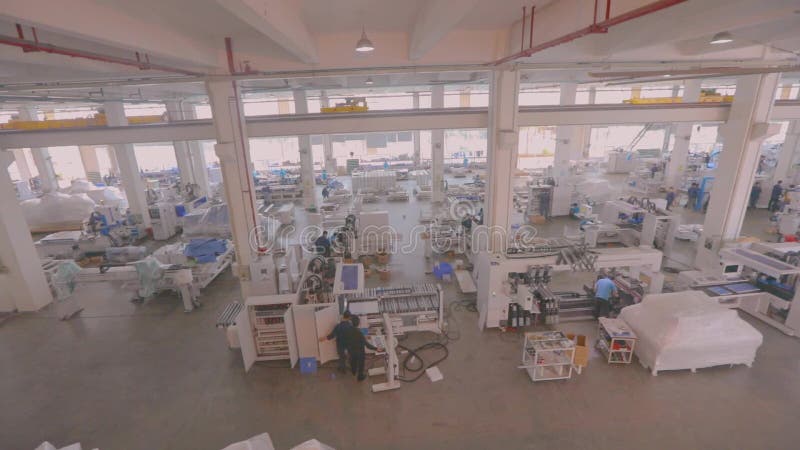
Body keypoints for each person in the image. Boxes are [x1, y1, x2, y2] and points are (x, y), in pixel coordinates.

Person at [342, 316, 380, 381]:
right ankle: (360, 377)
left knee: (353, 361)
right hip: (359, 352)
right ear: (358, 323)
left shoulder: (347, 330)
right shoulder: (359, 333)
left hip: (351, 350)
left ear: (351, 323)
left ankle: (353, 372)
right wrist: (376, 349)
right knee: (361, 364)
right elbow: (367, 345)